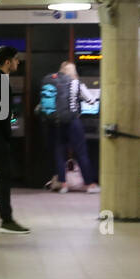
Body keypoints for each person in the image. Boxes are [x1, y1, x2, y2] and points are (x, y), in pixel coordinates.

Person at [0, 46, 30, 232]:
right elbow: (3, 114)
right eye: (16, 59)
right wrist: (8, 133)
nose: (18, 62)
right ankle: (6, 220)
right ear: (7, 62)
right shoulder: (1, 81)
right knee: (3, 177)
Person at [53, 62, 100, 193]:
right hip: (73, 121)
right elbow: (91, 100)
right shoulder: (76, 83)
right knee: (81, 153)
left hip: (58, 122)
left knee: (59, 152)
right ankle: (90, 185)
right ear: (73, 72)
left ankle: (63, 184)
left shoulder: (54, 83)